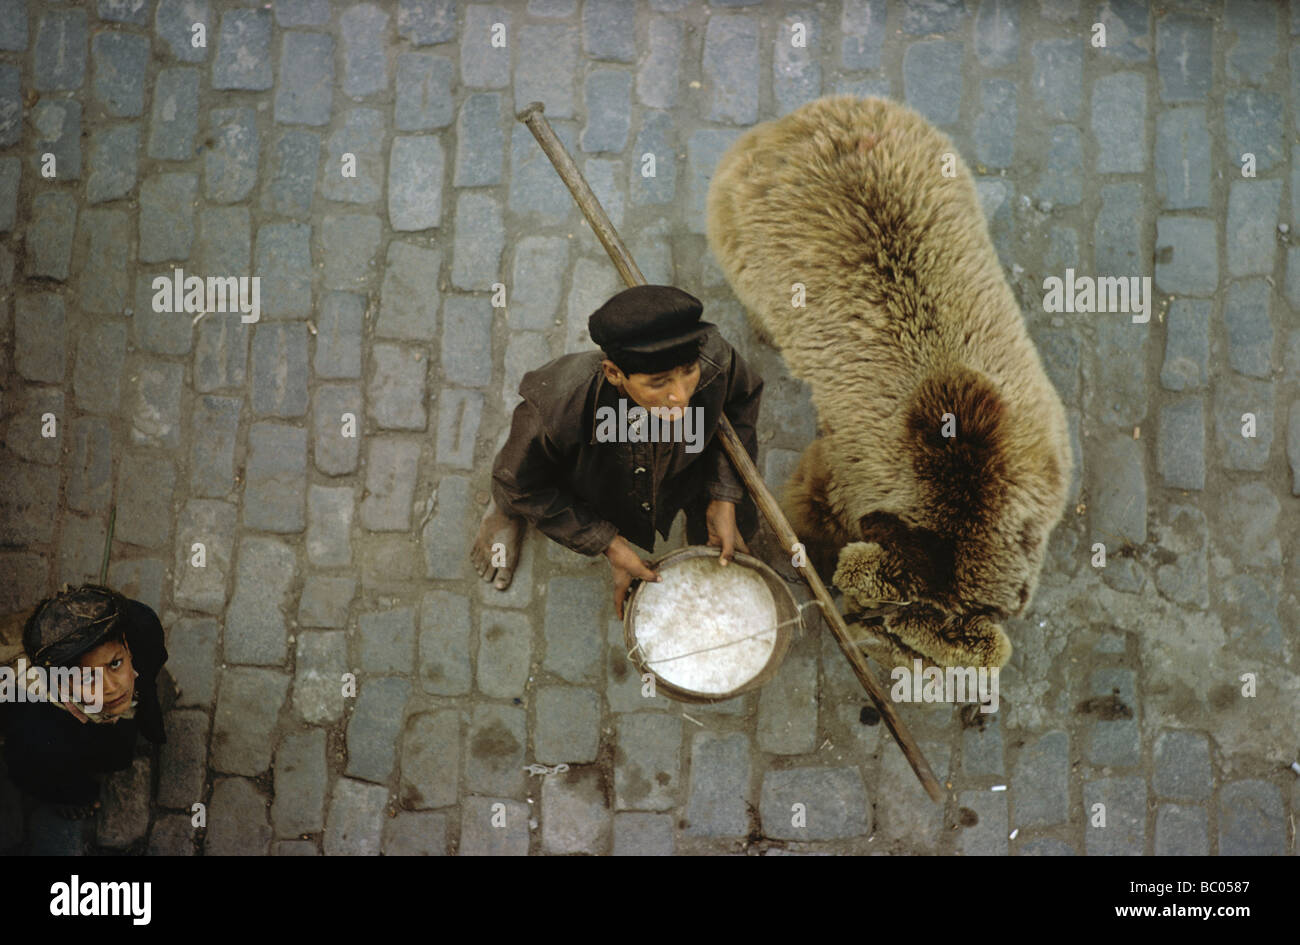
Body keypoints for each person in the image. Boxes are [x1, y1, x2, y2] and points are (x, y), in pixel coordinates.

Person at [471, 284, 764, 618]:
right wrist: (607, 542)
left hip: (687, 466)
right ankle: (504, 515)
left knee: (736, 519)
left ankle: (711, 523)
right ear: (614, 373)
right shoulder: (559, 404)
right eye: (659, 383)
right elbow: (519, 483)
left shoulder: (715, 359)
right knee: (514, 485)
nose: (681, 398)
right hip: (600, 482)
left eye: (688, 372)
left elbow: (742, 400)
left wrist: (723, 495)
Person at [2, 584, 167, 820]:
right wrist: (76, 795)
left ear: (126, 644)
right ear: (60, 684)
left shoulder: (142, 626)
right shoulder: (34, 734)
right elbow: (27, 775)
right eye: (87, 678)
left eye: (115, 663)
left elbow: (152, 664)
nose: (112, 688)